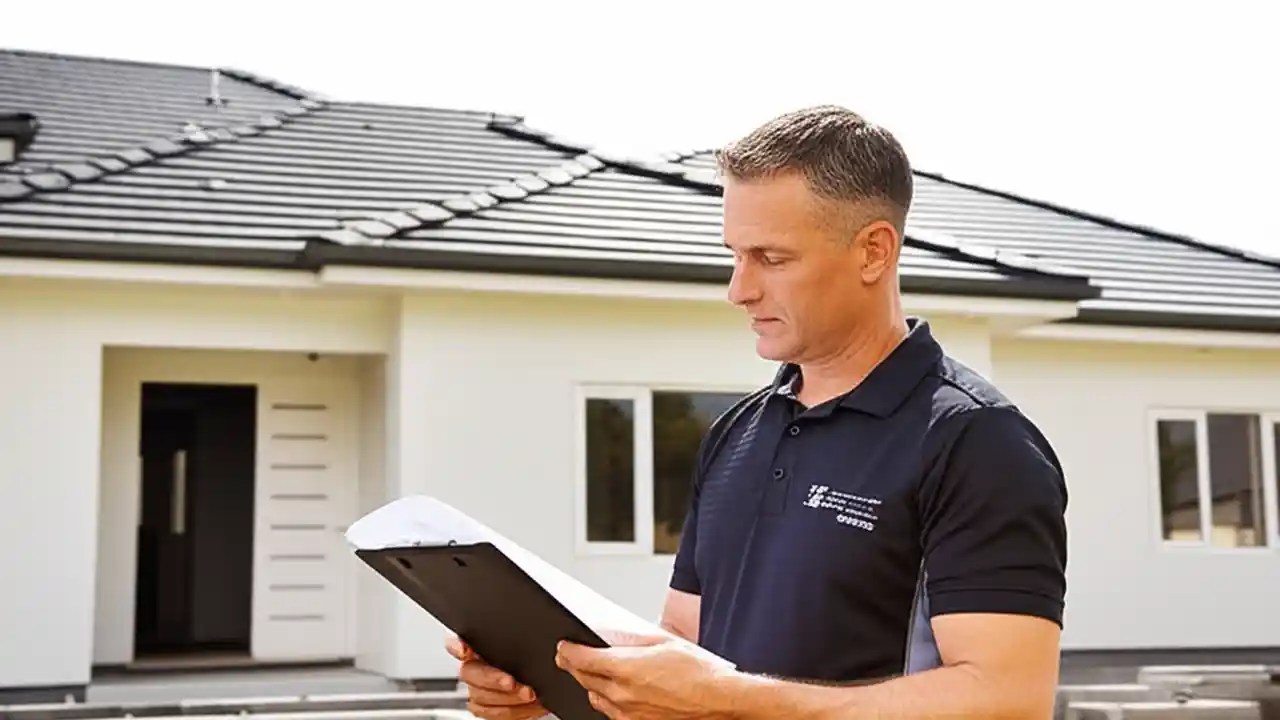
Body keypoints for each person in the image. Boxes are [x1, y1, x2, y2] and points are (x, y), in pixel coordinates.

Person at [446, 105, 1069, 719]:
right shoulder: (736, 434)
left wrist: (729, 701)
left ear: (874, 252)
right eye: (736, 254)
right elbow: (684, 650)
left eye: (771, 258)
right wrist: (550, 687)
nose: (739, 288)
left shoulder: (976, 442)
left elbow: (1005, 700)